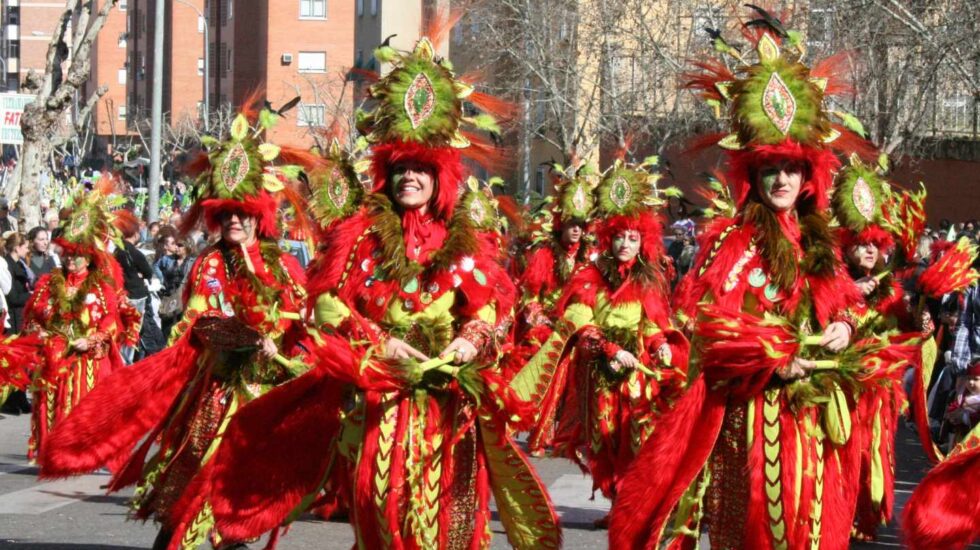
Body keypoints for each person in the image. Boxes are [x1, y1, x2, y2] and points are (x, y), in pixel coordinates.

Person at [192, 34, 560, 549]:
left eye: (420, 168)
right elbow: (326, 304)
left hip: (443, 403)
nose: (409, 176)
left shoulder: (465, 243)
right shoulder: (360, 234)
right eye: (400, 168)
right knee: (377, 509)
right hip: (376, 395)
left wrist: (467, 343)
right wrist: (379, 342)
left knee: (439, 520)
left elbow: (494, 310)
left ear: (440, 176)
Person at [610, 16, 872, 549]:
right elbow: (708, 325)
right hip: (751, 418)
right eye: (770, 168)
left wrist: (844, 325)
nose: (781, 180)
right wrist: (774, 354)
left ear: (809, 177)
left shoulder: (820, 243)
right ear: (751, 175)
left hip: (813, 419)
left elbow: (846, 305)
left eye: (792, 169)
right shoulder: (733, 239)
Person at [37, 101, 315, 550]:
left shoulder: (283, 265)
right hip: (218, 388)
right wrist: (248, 337)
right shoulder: (208, 262)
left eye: (243, 213)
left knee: (245, 487)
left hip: (267, 391)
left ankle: (230, 539)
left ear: (259, 215)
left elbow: (302, 318)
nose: (235, 222)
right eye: (226, 215)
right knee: (191, 478)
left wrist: (296, 350)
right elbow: (204, 321)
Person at [514, 157, 689, 525]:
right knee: (604, 441)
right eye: (619, 237)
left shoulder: (648, 279)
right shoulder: (590, 275)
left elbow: (652, 323)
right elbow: (581, 325)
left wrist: (659, 345)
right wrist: (610, 348)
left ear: (643, 240)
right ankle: (617, 505)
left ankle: (635, 505)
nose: (625, 244)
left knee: (637, 438)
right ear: (608, 238)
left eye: (633, 237)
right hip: (599, 373)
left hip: (636, 373)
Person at [22, 180, 140, 461]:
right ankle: (54, 451)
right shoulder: (49, 283)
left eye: (77, 256)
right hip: (55, 355)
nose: (71, 261)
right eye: (67, 255)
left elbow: (112, 321)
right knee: (52, 403)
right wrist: (42, 337)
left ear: (88, 257)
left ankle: (84, 451)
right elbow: (33, 317)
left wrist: (91, 339)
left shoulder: (101, 287)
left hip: (89, 359)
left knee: (87, 404)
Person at [512, 160, 598, 455]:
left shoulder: (592, 257)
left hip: (582, 327)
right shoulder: (544, 254)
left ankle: (574, 436)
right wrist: (540, 321)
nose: (577, 231)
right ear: (561, 224)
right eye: (572, 224)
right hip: (552, 328)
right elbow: (530, 296)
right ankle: (543, 433)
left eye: (581, 225)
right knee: (552, 376)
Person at [113, 218, 155, 362]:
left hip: (121, 294)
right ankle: (127, 361)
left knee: (123, 330)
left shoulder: (117, 251)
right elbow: (148, 272)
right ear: (135, 233)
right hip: (136, 295)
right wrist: (140, 274)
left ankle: (123, 359)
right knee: (132, 330)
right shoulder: (134, 252)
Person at [4, 232, 34, 333]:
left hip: (20, 315)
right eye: (26, 247)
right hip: (12, 320)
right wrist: (31, 294)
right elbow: (13, 298)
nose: (28, 250)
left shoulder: (20, 264)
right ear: (17, 248)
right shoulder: (6, 266)